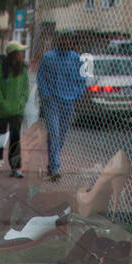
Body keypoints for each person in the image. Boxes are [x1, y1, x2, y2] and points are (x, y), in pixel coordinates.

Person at [36, 33, 87, 180]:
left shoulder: (76, 59)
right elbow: (41, 77)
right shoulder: (48, 57)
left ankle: (52, 163)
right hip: (52, 101)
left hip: (69, 101)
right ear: (59, 40)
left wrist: (77, 94)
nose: (67, 42)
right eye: (64, 39)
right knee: (54, 133)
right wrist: (46, 95)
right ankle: (56, 167)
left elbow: (82, 79)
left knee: (61, 135)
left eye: (70, 40)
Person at [0, 40, 29, 177]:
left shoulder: (23, 70)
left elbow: (25, 89)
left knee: (15, 138)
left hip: (17, 111)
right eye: (19, 52)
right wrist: (2, 104)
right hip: (2, 111)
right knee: (0, 136)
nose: (22, 55)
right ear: (13, 54)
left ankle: (15, 167)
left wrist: (21, 103)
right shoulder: (0, 70)